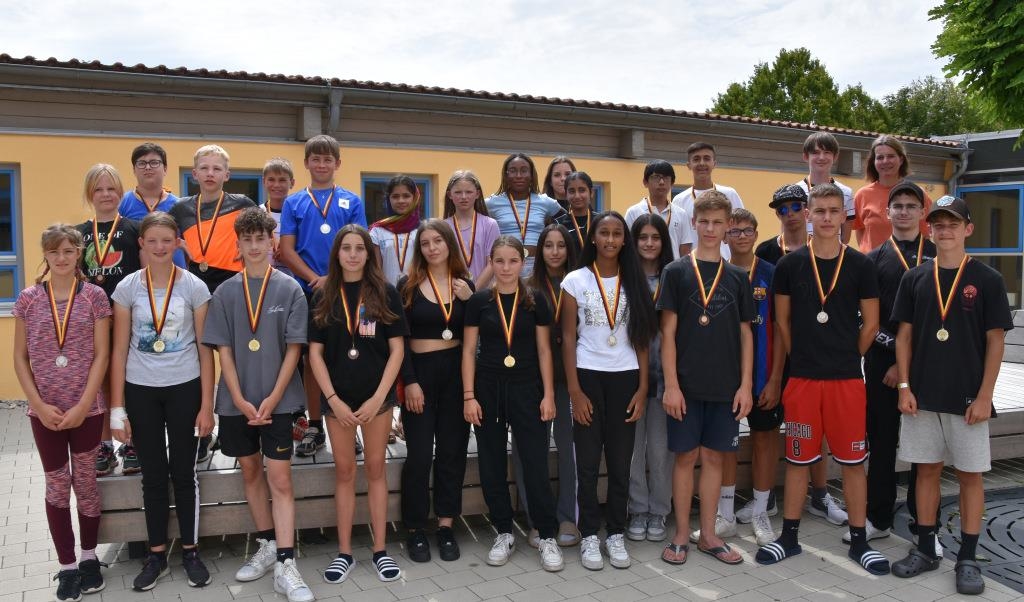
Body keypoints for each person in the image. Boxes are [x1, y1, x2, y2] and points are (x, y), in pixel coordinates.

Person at [755, 184, 889, 576]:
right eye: (820, 211)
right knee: (798, 460)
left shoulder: (861, 265)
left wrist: (848, 356)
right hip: (803, 381)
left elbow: (872, 324)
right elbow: (781, 322)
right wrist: (807, 358)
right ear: (810, 215)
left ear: (843, 216)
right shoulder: (790, 266)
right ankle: (790, 538)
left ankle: (860, 540)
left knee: (851, 462)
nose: (827, 217)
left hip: (847, 380)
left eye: (834, 211)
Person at [891, 196, 1012, 596]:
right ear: (930, 230)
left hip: (967, 401)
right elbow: (904, 337)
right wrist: (905, 386)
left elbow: (996, 342)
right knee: (924, 471)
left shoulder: (989, 280)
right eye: (938, 224)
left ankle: (968, 559)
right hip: (922, 397)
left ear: (967, 229)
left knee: (970, 477)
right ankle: (925, 549)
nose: (945, 231)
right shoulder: (915, 279)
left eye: (953, 224)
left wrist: (984, 396)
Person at [201, 208, 313, 602]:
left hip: (280, 403)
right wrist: (242, 398)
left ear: (271, 243)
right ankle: (267, 545)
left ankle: (286, 563)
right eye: (246, 239)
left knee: (279, 479)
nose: (253, 246)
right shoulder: (226, 292)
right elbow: (224, 353)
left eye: (260, 239)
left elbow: (295, 349)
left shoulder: (290, 288)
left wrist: (272, 398)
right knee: (251, 474)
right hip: (238, 404)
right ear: (239, 244)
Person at [109, 211, 215, 591]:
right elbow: (119, 351)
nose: (159, 247)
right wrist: (117, 410)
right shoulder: (126, 288)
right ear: (142, 243)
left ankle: (190, 550)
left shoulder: (193, 287)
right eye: (152, 240)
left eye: (166, 241)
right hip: (140, 390)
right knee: (152, 476)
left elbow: (206, 352)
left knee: (184, 475)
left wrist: (207, 405)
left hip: (184, 387)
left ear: (176, 244)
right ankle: (156, 553)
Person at [13, 225, 111, 602]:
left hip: (87, 410)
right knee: (57, 486)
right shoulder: (27, 299)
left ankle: (89, 559)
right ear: (45, 254)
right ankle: (67, 566)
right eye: (54, 252)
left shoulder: (95, 298)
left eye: (70, 251)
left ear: (79, 254)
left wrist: (86, 403)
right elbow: (20, 357)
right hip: (45, 414)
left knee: (85, 483)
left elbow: (102, 354)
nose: (62, 258)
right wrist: (36, 404)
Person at [658, 192, 754, 567]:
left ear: (728, 226)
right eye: (705, 222)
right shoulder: (676, 272)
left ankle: (709, 535)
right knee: (685, 458)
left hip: (725, 387)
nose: (711, 229)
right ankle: (682, 534)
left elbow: (747, 335)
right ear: (693, 223)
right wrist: (670, 385)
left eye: (718, 223)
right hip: (684, 386)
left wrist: (746, 385)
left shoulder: (738, 277)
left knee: (714, 458)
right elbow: (667, 334)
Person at [307, 225, 405, 584]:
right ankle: (344, 552)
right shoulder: (323, 295)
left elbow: (397, 350)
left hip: (376, 400)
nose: (352, 254)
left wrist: (381, 396)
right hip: (339, 402)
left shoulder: (385, 293)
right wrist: (331, 398)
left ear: (368, 254)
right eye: (345, 248)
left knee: (376, 470)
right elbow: (314, 354)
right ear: (337, 254)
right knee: (345, 473)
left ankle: (380, 550)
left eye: (358, 248)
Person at [561, 211, 657, 570]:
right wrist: (574, 390)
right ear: (594, 238)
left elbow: (643, 338)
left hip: (627, 379)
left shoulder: (635, 281)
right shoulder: (575, 280)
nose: (611, 239)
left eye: (618, 234)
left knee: (620, 462)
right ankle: (589, 535)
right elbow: (568, 338)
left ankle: (614, 532)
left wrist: (643, 385)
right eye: (604, 233)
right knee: (587, 463)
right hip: (587, 377)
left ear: (624, 241)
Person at [463, 236, 564, 572]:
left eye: (512, 261)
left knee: (535, 461)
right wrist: (469, 396)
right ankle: (504, 531)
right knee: (491, 462)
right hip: (488, 389)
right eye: (499, 261)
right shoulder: (479, 302)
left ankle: (546, 534)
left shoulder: (535, 300)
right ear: (490, 262)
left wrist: (548, 395)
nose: (505, 268)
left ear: (523, 263)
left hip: (528, 388)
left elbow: (545, 351)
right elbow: (467, 352)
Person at [753, 184, 848, 527]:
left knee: (816, 431)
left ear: (805, 210)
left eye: (796, 207)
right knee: (768, 428)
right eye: (782, 209)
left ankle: (820, 495)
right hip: (772, 355)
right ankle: (766, 499)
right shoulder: (763, 252)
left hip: (813, 356)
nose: (790, 214)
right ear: (775, 214)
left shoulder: (823, 252)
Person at [854, 182, 937, 551]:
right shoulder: (872, 260)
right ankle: (878, 519)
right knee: (882, 443)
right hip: (880, 365)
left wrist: (908, 367)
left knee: (925, 450)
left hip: (928, 369)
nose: (903, 211)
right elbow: (864, 318)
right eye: (897, 206)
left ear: (923, 213)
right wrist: (891, 362)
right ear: (887, 213)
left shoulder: (939, 256)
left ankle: (924, 526)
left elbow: (941, 320)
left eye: (911, 206)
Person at [279, 134, 367, 458]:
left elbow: (362, 246)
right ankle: (315, 424)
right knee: (309, 359)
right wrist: (315, 278)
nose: (321, 164)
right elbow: (286, 250)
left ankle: (349, 425)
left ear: (337, 164)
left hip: (345, 289)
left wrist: (335, 277)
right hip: (307, 290)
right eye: (315, 159)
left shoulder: (352, 201)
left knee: (346, 355)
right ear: (306, 163)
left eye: (327, 159)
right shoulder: (294, 202)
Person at [398, 219, 474, 563]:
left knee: (451, 452)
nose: (431, 248)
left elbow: (477, 333)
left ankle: (445, 525)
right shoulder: (408, 286)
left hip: (456, 374)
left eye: (437, 241)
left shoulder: (464, 285)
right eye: (425, 243)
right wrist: (409, 381)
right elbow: (398, 340)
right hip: (421, 376)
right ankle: (415, 528)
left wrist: (471, 301)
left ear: (448, 245)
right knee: (417, 456)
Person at [715, 208, 779, 547]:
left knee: (765, 439)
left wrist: (775, 379)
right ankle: (725, 515)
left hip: (763, 375)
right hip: (725, 376)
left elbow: (782, 330)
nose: (740, 236)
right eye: (734, 230)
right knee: (726, 442)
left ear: (756, 234)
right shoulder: (716, 273)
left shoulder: (771, 272)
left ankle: (760, 511)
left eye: (747, 230)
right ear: (725, 235)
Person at [75, 164, 143, 477]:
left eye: (111, 189)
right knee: (100, 383)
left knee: (130, 381)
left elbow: (144, 277)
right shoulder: (79, 234)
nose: (105, 194)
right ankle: (104, 444)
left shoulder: (133, 229)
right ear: (90, 193)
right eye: (99, 189)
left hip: (127, 316)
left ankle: (133, 443)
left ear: (120, 192)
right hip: (93, 322)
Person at [527, 223, 580, 547]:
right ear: (540, 250)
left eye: (561, 245)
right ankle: (537, 518)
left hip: (572, 379)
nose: (556, 251)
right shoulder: (527, 286)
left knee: (570, 449)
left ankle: (568, 517)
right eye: (549, 245)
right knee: (530, 452)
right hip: (532, 380)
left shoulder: (580, 283)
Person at [625, 213, 674, 544]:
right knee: (632, 450)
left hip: (664, 377)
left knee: (660, 449)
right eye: (642, 237)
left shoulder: (675, 276)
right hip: (627, 377)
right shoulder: (623, 279)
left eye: (655, 237)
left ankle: (659, 508)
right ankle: (637, 507)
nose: (649, 243)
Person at [169, 144, 258, 293]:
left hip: (234, 283)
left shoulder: (242, 203)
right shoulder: (181, 207)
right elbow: (158, 230)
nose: (210, 173)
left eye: (217, 169)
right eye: (204, 168)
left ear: (227, 175)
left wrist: (248, 247)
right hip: (195, 285)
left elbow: (264, 231)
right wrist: (176, 242)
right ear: (195, 173)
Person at [485, 153, 563, 276]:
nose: (519, 175)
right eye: (513, 171)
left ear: (532, 175)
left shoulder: (545, 202)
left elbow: (567, 222)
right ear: (506, 175)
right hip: (506, 266)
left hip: (537, 266)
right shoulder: (492, 203)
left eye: (524, 171)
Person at [852, 135, 932, 253]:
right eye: (880, 157)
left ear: (901, 159)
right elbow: (860, 232)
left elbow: (926, 233)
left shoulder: (918, 194)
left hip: (908, 267)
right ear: (873, 162)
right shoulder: (862, 195)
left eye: (890, 156)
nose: (885, 161)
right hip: (873, 267)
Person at [117, 142, 185, 268]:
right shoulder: (121, 203)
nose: (148, 167)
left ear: (165, 169)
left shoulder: (180, 206)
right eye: (141, 163)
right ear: (134, 170)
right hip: (135, 278)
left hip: (175, 279)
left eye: (154, 162)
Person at [671, 142, 744, 260]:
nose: (702, 163)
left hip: (725, 264)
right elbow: (678, 238)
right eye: (696, 159)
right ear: (689, 165)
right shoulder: (679, 200)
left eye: (706, 158)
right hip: (692, 266)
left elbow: (740, 229)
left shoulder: (730, 194)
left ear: (714, 163)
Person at [624, 160, 694, 259]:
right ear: (645, 182)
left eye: (666, 178)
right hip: (642, 272)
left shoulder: (681, 214)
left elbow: (685, 250)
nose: (661, 182)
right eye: (656, 177)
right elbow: (628, 246)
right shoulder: (634, 212)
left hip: (673, 273)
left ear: (672, 183)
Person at [443, 170, 499, 287]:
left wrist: (473, 293)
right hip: (453, 292)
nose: (464, 197)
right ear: (450, 195)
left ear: (477, 194)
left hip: (483, 294)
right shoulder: (443, 227)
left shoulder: (490, 224)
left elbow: (492, 262)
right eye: (458, 192)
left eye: (469, 192)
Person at [795, 132, 855, 243]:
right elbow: (787, 230)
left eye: (827, 152)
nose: (821, 157)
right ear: (805, 156)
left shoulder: (846, 192)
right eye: (816, 153)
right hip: (801, 257)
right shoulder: (794, 191)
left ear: (835, 157)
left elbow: (845, 239)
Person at [369, 175, 422, 285]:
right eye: (395, 196)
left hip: (419, 293)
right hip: (387, 295)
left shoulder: (423, 230)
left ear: (415, 198)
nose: (401, 200)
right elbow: (376, 270)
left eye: (406, 196)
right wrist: (389, 292)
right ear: (388, 199)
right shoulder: (377, 232)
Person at [261, 158, 296, 278]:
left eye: (282, 180)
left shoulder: (300, 215)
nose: (276, 185)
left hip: (295, 281)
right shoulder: (257, 213)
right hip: (263, 279)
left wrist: (290, 251)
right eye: (271, 180)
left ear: (292, 183)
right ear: (263, 182)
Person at [553, 171, 599, 264]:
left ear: (591, 192)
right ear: (566, 194)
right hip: (569, 275)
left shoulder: (600, 222)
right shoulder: (559, 224)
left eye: (582, 190)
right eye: (572, 191)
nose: (577, 196)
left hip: (597, 275)